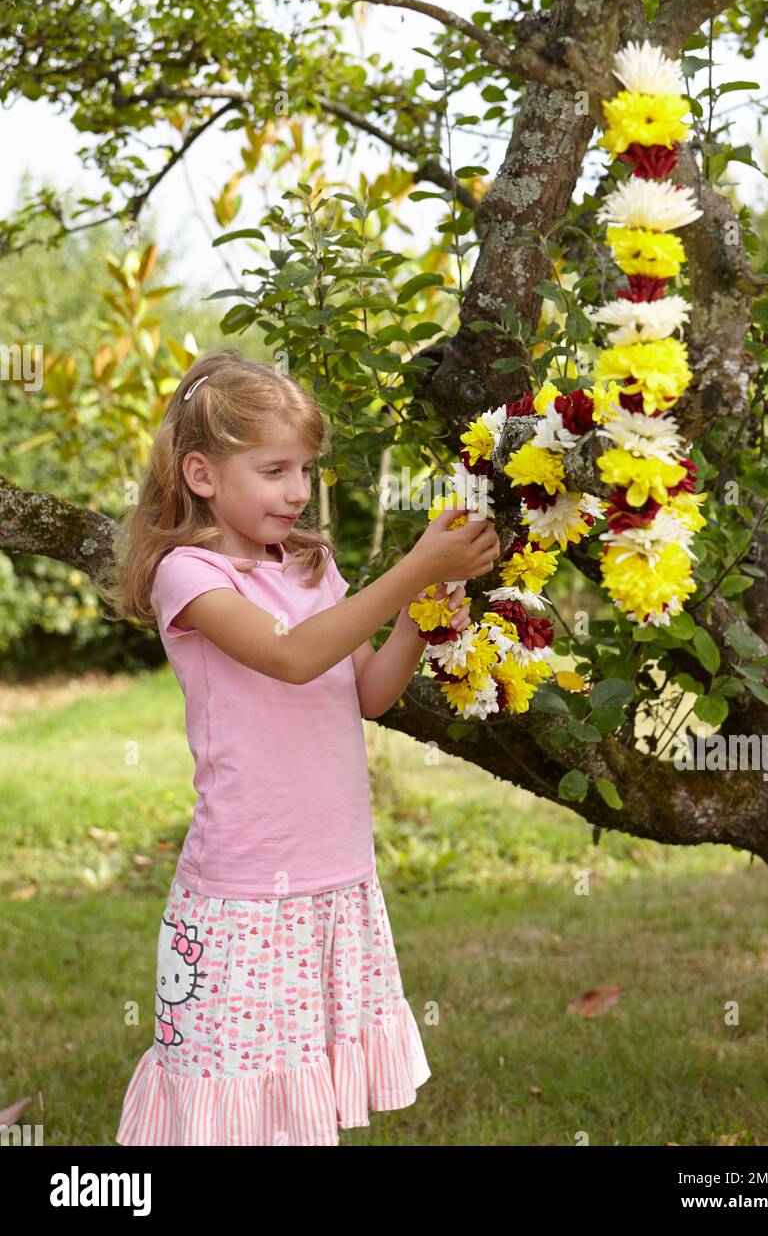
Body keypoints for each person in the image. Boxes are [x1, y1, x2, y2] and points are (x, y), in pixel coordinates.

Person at [101, 348, 500, 1146]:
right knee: (226, 1106)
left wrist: (425, 603)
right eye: (276, 468)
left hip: (334, 874)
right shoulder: (192, 574)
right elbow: (290, 657)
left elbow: (369, 692)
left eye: (306, 469)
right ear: (203, 474)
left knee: (294, 1103)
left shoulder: (312, 565)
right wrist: (412, 565)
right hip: (245, 890)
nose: (298, 491)